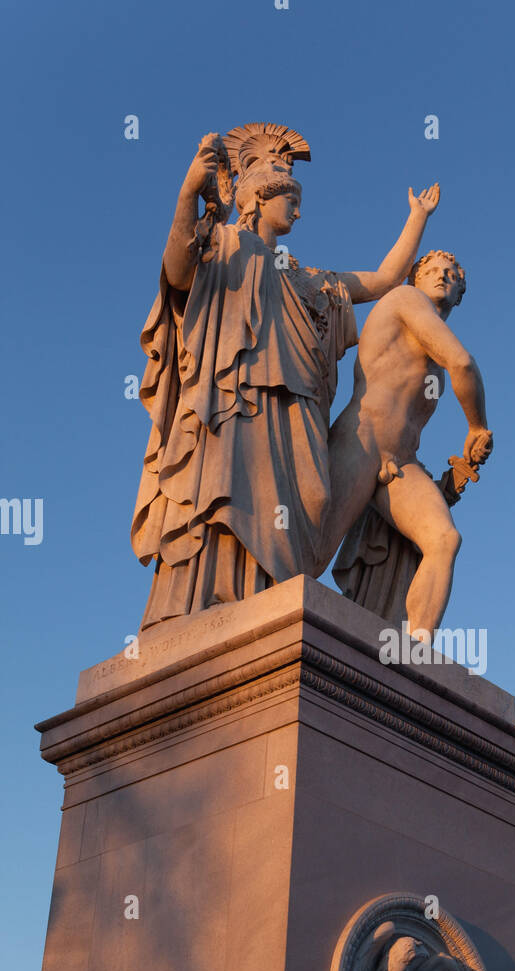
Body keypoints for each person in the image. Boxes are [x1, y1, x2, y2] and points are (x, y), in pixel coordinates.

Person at [130, 122, 440, 629]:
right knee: (226, 497)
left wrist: (417, 219)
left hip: (299, 418)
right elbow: (178, 270)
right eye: (289, 196)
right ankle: (211, 601)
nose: (297, 207)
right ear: (257, 197)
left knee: (290, 527)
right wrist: (189, 192)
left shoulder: (312, 280)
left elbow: (384, 280)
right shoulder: (228, 244)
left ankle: (270, 605)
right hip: (237, 404)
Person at [329, 250, 492, 637]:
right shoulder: (406, 300)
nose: (442, 276)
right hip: (361, 438)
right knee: (311, 553)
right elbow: (463, 364)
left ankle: (416, 645)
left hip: (402, 461)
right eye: (432, 270)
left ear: (460, 293)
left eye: (451, 274)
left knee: (443, 538)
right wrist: (477, 427)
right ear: (414, 279)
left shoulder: (430, 338)